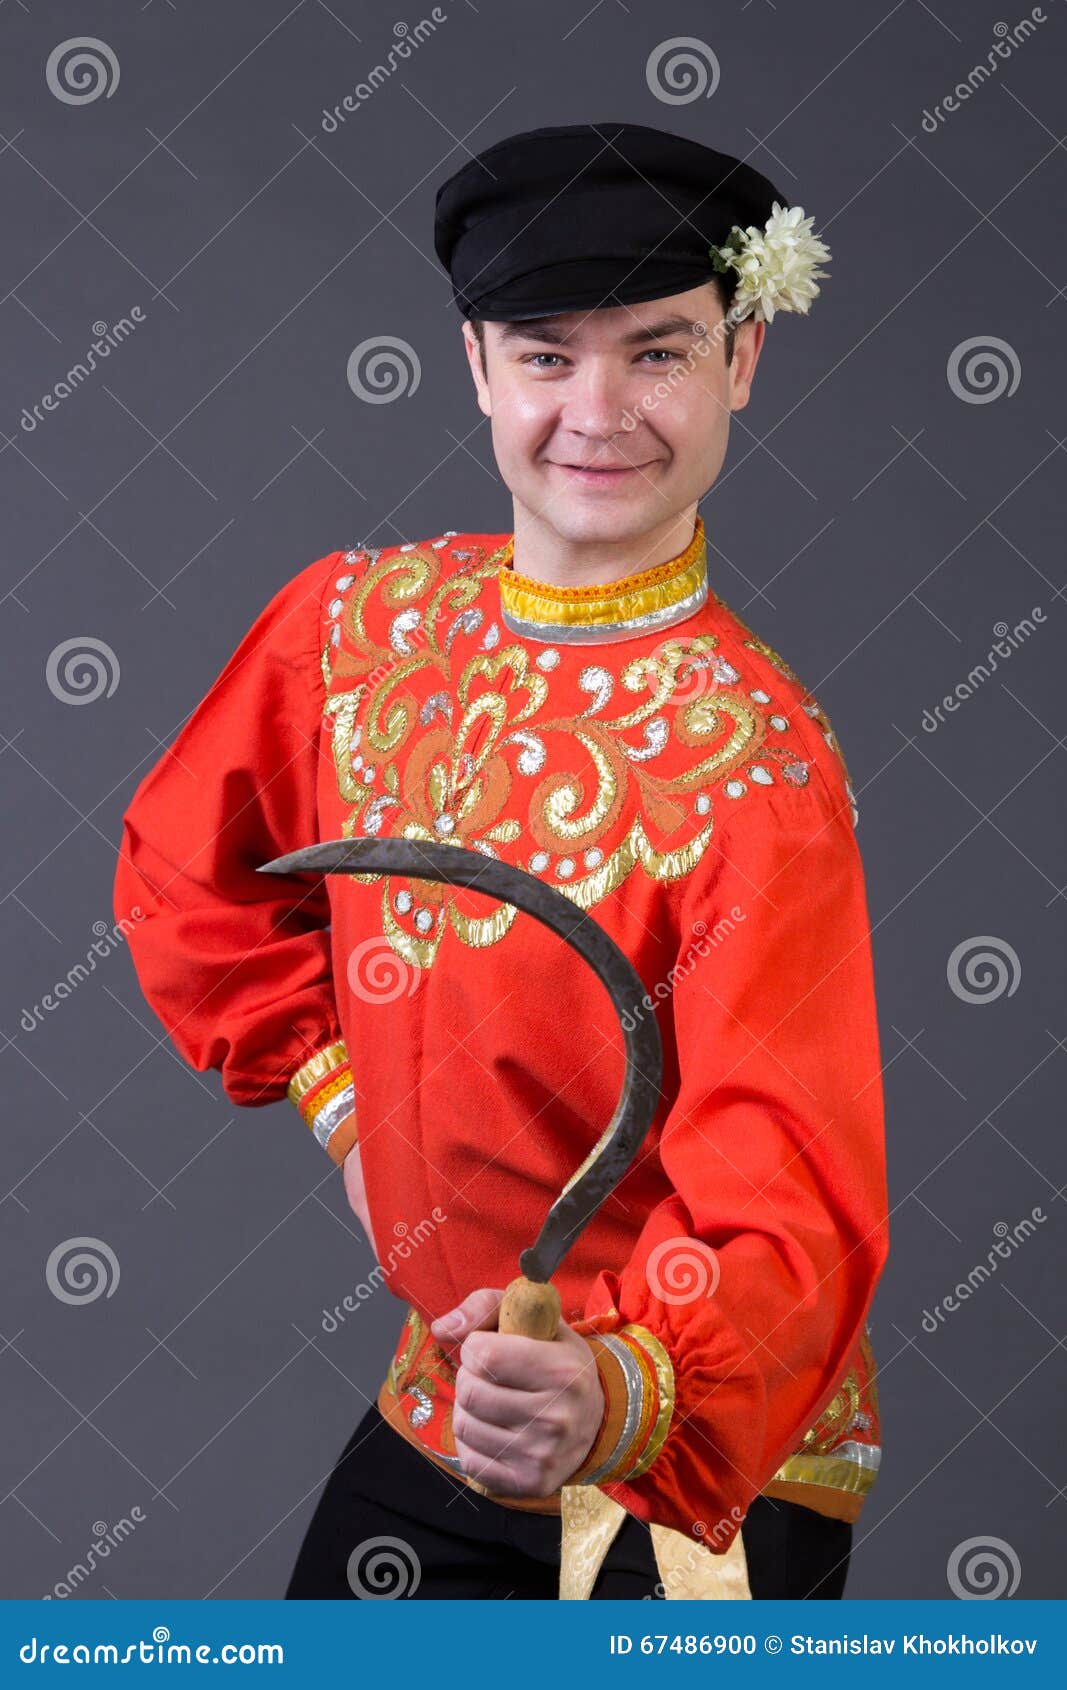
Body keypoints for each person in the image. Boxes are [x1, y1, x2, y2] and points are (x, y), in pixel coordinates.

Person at [113, 121, 889, 1601]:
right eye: (546, 355)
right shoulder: (356, 629)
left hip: (692, 1458)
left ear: (742, 362)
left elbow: (788, 1185)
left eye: (658, 352)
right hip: (453, 1390)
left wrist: (620, 1388)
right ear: (475, 366)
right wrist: (345, 1106)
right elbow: (189, 872)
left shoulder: (760, 764)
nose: (599, 411)